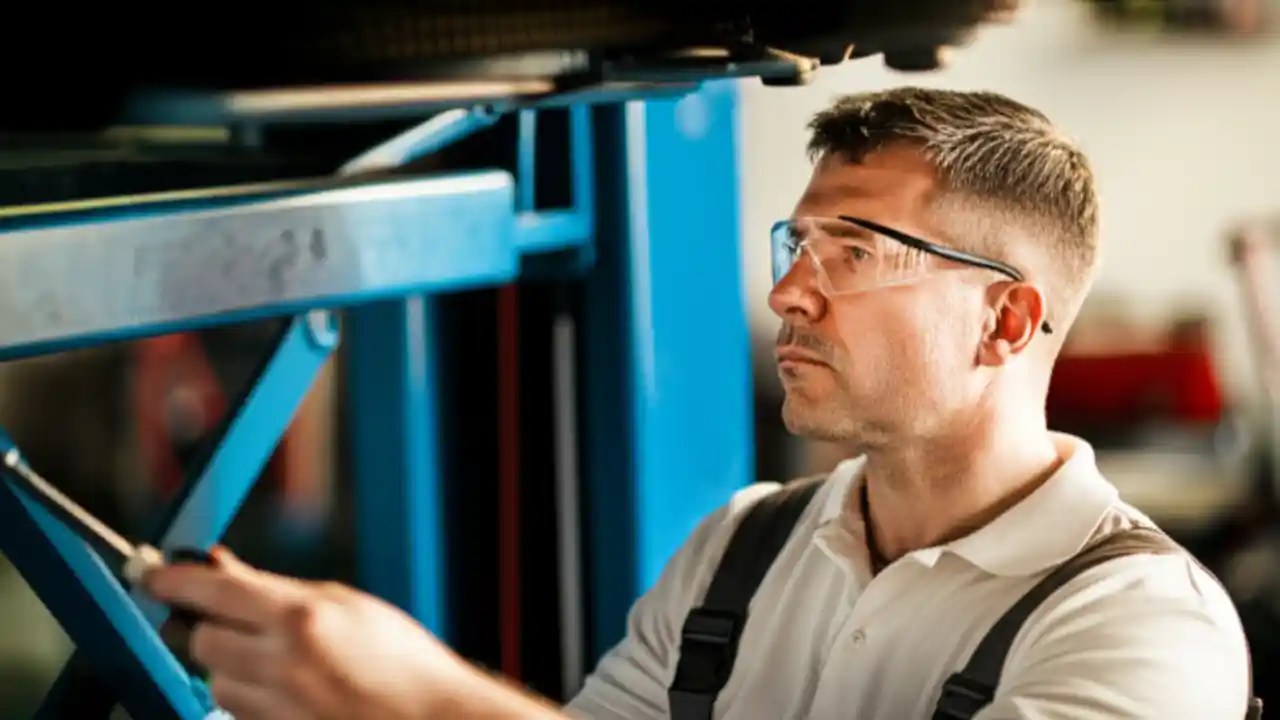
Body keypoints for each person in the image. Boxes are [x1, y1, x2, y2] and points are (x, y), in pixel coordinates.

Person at [144, 87, 1252, 719]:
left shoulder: (1142, 630)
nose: (784, 292)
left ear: (1005, 323)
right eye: (796, 243)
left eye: (854, 251)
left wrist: (431, 703)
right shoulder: (740, 547)